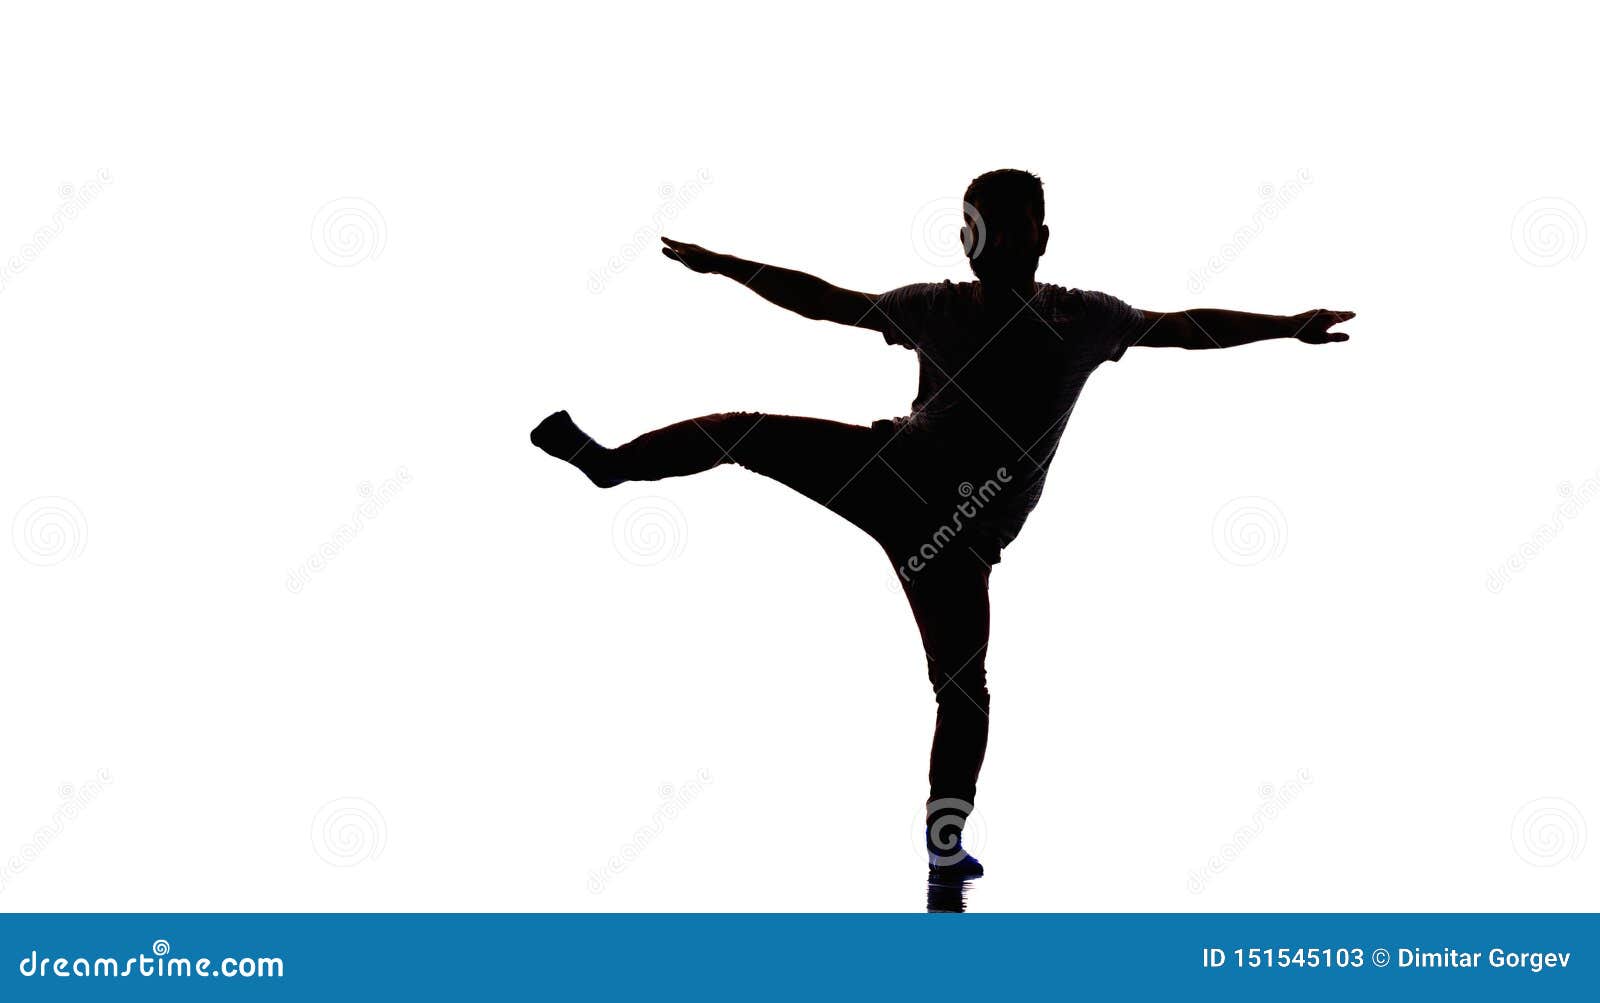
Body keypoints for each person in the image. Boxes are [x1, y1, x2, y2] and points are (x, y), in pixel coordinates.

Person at [530, 168, 1354, 878]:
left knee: (963, 689)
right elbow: (827, 302)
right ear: (966, 240)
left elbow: (1187, 330)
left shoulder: (1084, 318)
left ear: (1040, 238)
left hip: (958, 543)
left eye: (1004, 229)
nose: (987, 245)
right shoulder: (935, 307)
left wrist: (1286, 326)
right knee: (740, 431)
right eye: (975, 229)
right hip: (891, 474)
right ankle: (610, 464)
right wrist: (727, 266)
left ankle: (944, 839)